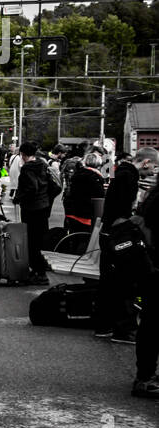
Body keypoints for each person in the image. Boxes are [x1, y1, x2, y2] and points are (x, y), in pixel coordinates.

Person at [95, 146, 159, 342]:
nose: (153, 171)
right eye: (154, 166)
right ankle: (123, 330)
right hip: (119, 236)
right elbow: (122, 211)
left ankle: (104, 325)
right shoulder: (128, 176)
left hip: (109, 234)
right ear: (145, 162)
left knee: (109, 282)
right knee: (125, 283)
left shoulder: (122, 172)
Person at [15, 141, 54, 284]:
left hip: (32, 209)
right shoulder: (43, 165)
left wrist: (18, 198)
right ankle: (40, 270)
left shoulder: (27, 168)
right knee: (41, 240)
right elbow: (53, 186)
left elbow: (32, 187)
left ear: (23, 154)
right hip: (43, 208)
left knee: (32, 241)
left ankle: (39, 273)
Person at [133, 183, 159, 398]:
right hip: (156, 267)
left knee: (150, 324)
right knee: (152, 325)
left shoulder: (153, 195)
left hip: (151, 266)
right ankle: (145, 378)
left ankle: (145, 375)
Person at [62, 152, 105, 233]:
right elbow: (100, 197)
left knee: (74, 235)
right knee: (84, 238)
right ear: (98, 164)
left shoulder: (78, 173)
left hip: (72, 210)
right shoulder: (95, 177)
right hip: (84, 214)